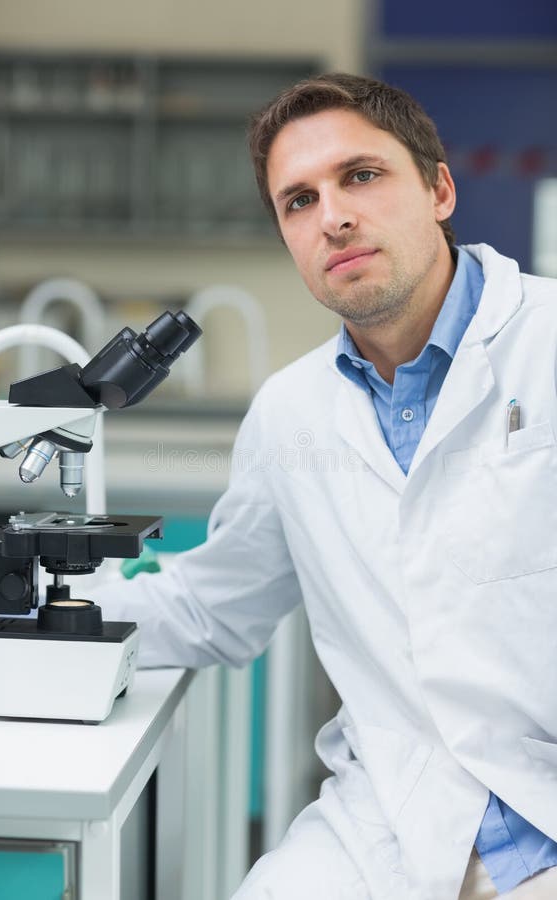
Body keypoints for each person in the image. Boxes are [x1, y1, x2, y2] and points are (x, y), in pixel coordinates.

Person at [96, 74, 557, 899]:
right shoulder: (290, 414)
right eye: (298, 200)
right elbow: (214, 604)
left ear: (440, 188)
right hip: (387, 823)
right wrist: (37, 608)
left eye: (362, 176)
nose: (333, 216)